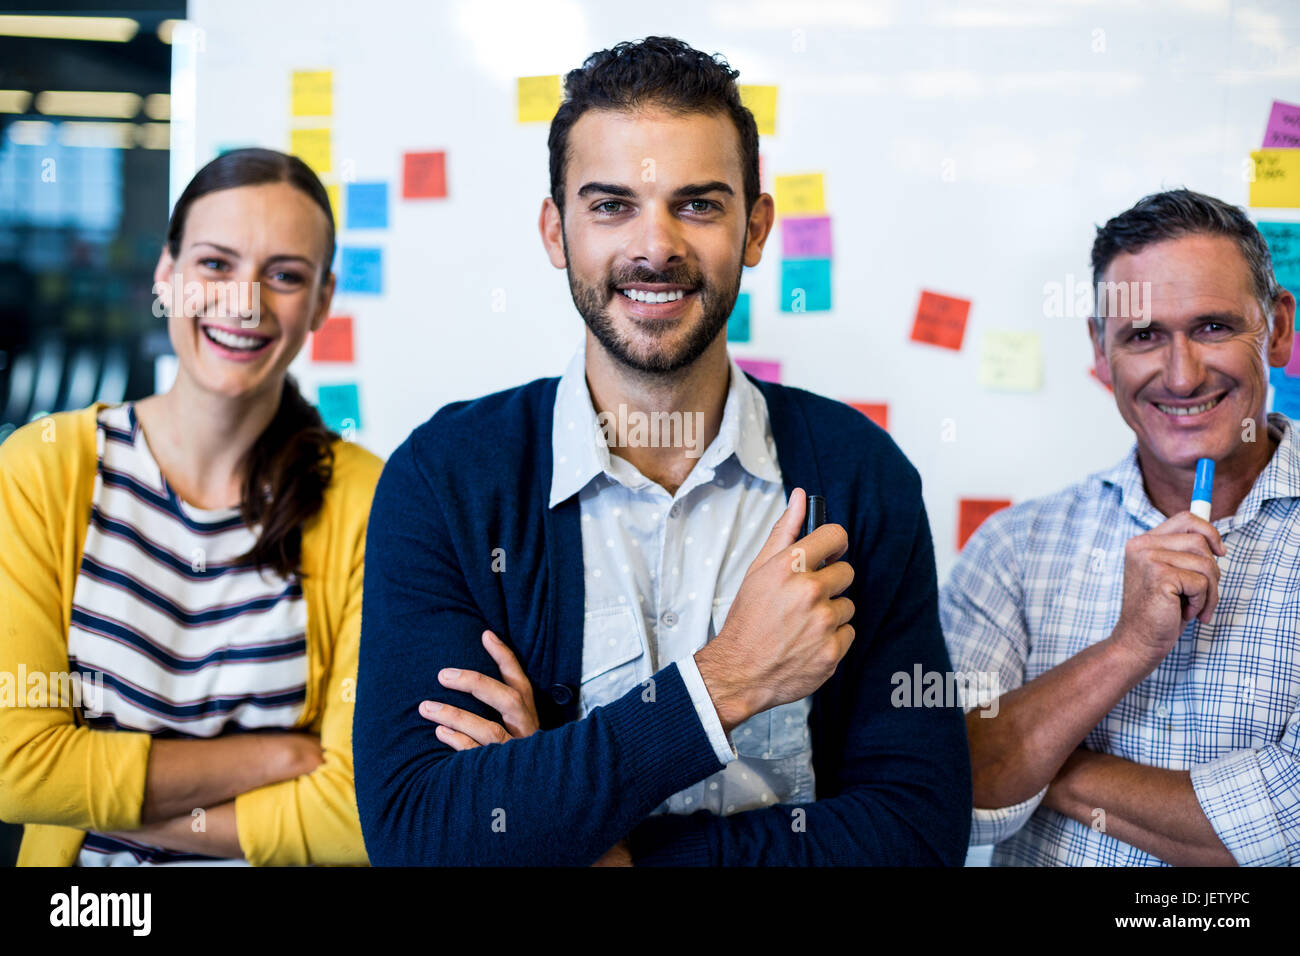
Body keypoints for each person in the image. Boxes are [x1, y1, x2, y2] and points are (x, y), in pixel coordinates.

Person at [353, 36, 971, 866]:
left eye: (699, 205)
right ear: (554, 230)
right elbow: (422, 831)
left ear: (755, 228)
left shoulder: (861, 474)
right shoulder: (447, 479)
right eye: (611, 206)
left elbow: (916, 832)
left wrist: (605, 846)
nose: (656, 247)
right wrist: (730, 678)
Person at [0, 148, 382, 866]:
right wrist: (274, 757)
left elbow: (364, 812)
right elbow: (16, 768)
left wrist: (97, 799)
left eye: (286, 275)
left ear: (323, 302)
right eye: (214, 264)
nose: (244, 301)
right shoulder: (41, 468)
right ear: (166, 275)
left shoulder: (369, 500)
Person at [944, 188, 1299, 866]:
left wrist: (1042, 760)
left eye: (1214, 327)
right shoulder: (1013, 552)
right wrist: (1126, 647)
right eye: (1143, 337)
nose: (1182, 374)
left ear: (1277, 328)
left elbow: (1284, 826)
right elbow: (952, 791)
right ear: (1100, 350)